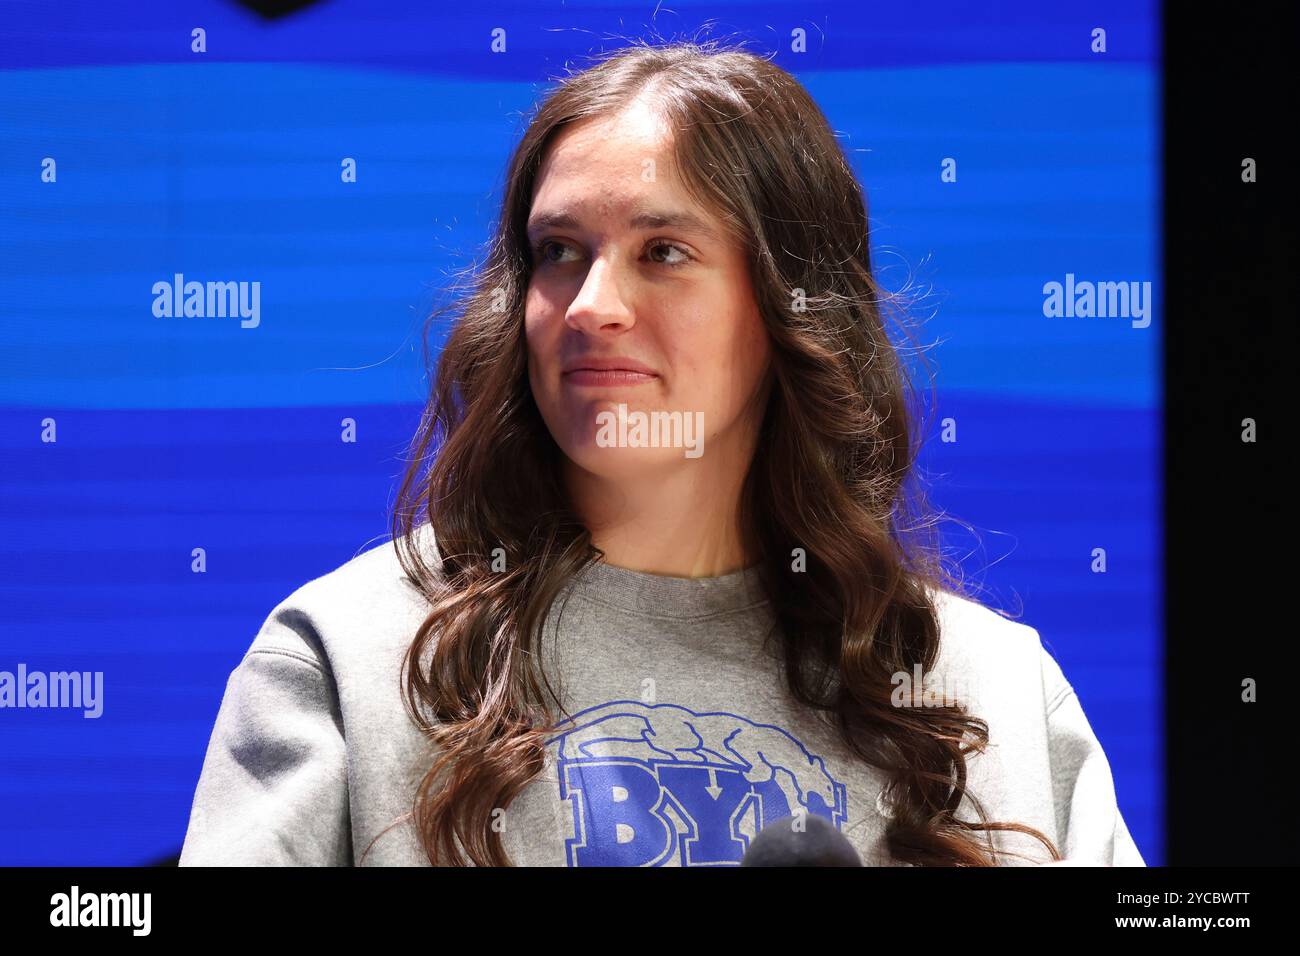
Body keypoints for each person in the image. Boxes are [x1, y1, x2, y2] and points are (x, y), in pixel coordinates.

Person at [179, 40, 1144, 867]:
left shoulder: (993, 689)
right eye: (559, 250)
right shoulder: (347, 655)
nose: (592, 303)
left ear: (791, 311)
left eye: (663, 252)